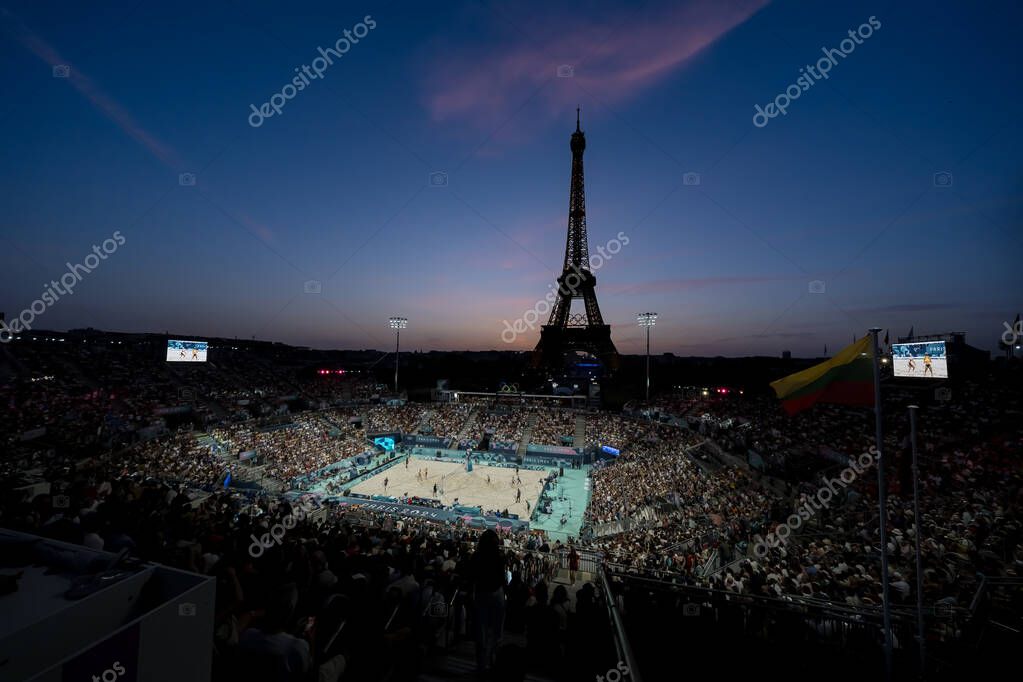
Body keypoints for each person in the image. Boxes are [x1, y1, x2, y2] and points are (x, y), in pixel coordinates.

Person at [471, 529, 506, 674]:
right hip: (496, 593)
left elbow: (472, 575)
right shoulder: (499, 556)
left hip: (481, 593)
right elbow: (502, 577)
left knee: (481, 630)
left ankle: (481, 666)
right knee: (496, 632)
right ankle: (493, 663)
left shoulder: (476, 556)